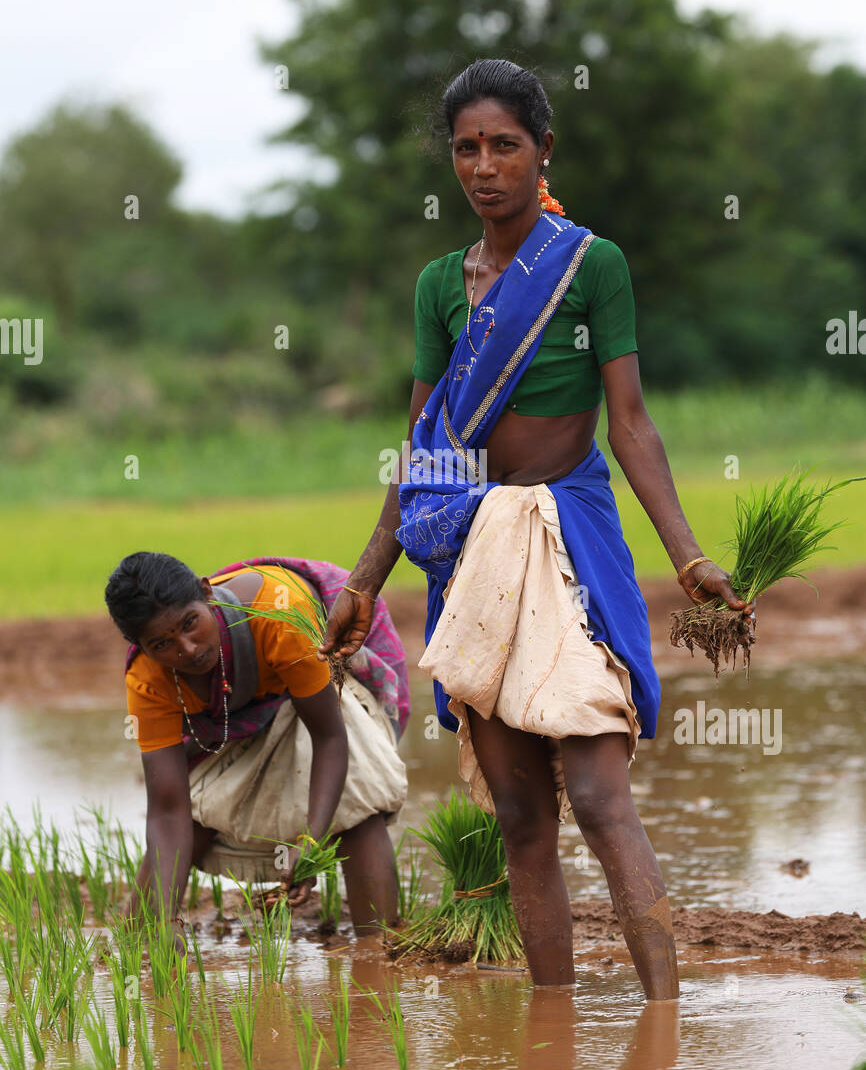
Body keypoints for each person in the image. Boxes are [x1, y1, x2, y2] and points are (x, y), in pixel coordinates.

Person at [319, 58, 755, 998]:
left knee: (601, 798)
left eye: (504, 146)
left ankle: (662, 1030)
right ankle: (550, 1031)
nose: (484, 166)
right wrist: (360, 581)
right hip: (476, 551)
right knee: (520, 815)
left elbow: (631, 421)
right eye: (467, 148)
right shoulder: (441, 284)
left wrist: (689, 554)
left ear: (543, 150)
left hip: (572, 539)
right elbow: (425, 448)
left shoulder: (592, 265)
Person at [105, 552, 410, 951]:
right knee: (192, 819)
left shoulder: (279, 617)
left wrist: (311, 842)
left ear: (206, 592)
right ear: (139, 646)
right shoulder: (148, 678)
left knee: (358, 806)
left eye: (190, 623)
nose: (188, 648)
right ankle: (135, 948)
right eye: (162, 643)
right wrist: (166, 918)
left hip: (321, 683)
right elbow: (168, 808)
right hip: (235, 716)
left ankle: (379, 951)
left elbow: (330, 738)